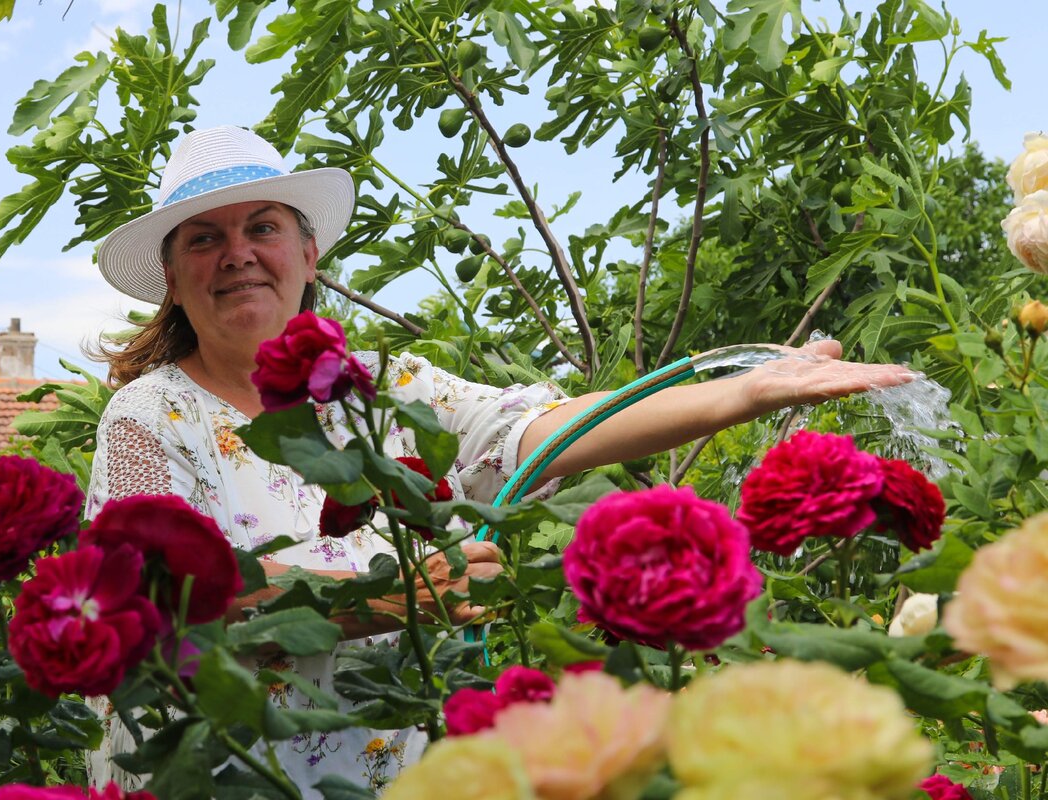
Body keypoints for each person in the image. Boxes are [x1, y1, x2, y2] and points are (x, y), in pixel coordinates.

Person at [83, 125, 913, 794]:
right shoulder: (151, 416)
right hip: (225, 776)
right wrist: (383, 599)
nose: (237, 253)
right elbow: (160, 612)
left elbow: (531, 428)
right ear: (172, 276)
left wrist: (744, 390)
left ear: (309, 255)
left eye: (262, 226)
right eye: (205, 239)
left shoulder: (375, 384)